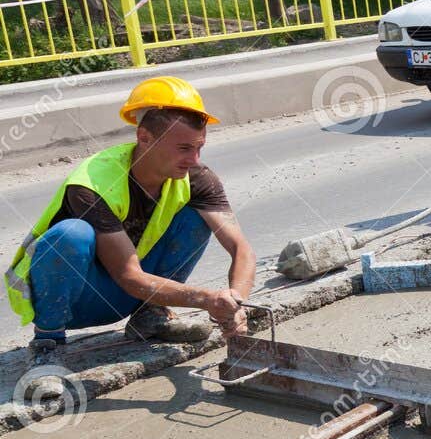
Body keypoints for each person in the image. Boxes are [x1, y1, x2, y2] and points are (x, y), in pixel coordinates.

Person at [8, 77, 255, 396]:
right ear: (145, 137)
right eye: (183, 148)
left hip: (133, 291)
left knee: (196, 218)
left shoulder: (197, 177)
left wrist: (236, 303)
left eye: (198, 147)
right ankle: (46, 347)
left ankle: (149, 318)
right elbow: (128, 276)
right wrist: (206, 299)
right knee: (71, 234)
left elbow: (242, 249)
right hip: (79, 300)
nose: (194, 159)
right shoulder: (93, 182)